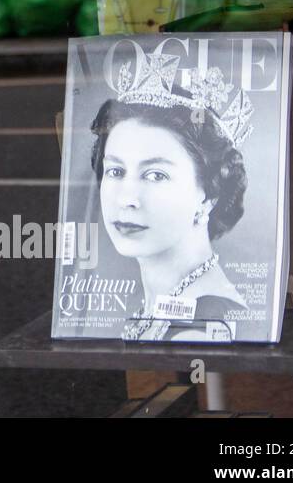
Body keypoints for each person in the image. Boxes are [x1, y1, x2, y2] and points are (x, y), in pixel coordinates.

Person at [91, 73, 250, 341]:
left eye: (156, 175)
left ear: (210, 195)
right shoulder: (156, 305)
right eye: (116, 171)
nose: (127, 199)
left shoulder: (197, 330)